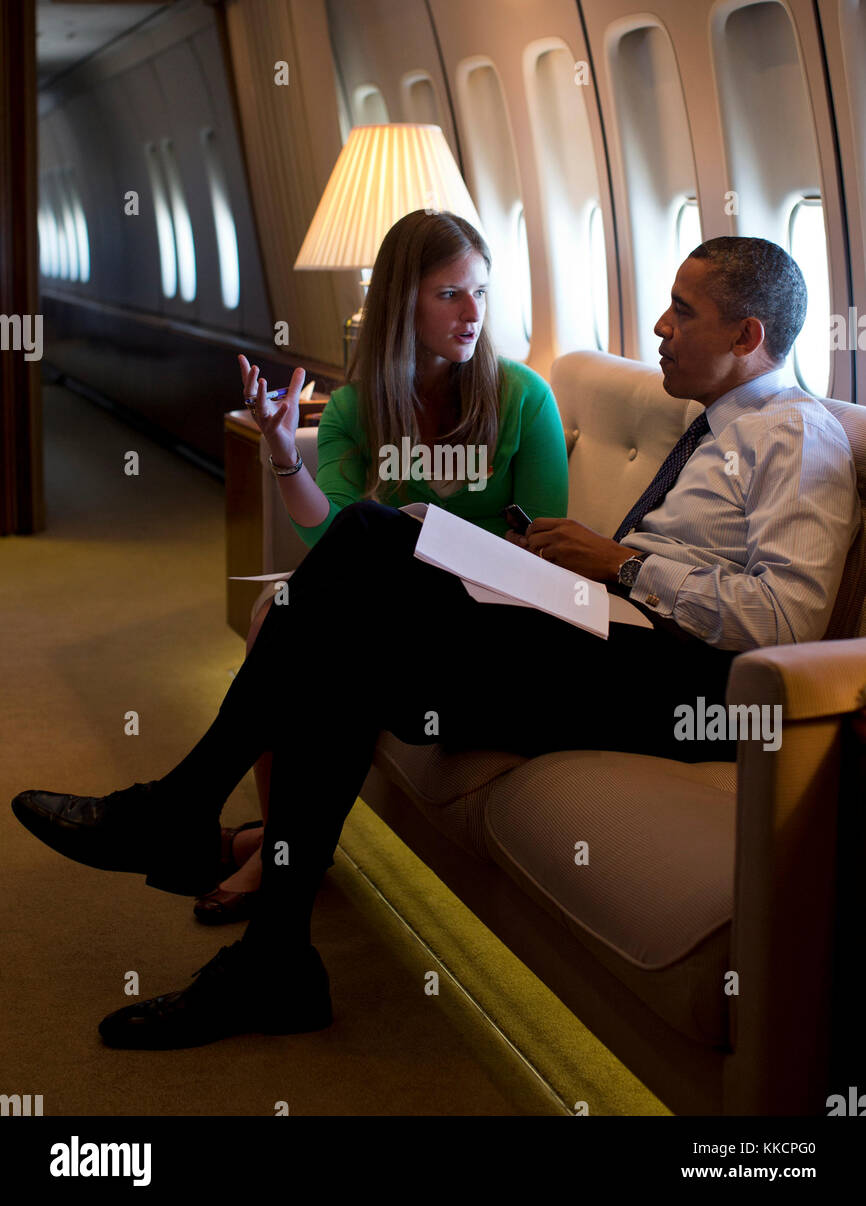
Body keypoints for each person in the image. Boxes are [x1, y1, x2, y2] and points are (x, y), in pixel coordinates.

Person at [11, 236, 859, 1051]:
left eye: (683, 311)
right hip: (620, 636)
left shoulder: (798, 435)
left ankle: (182, 819)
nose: (661, 328)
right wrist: (572, 562)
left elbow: (783, 623)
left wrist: (622, 563)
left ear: (748, 337)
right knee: (344, 644)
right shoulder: (718, 426)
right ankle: (269, 953)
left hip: (697, 693)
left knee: (368, 547)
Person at [203, 208, 569, 924]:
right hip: (394, 602)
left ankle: (268, 842)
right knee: (278, 608)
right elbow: (330, 540)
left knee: (318, 623)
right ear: (404, 299)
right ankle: (281, 845)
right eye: (450, 294)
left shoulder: (524, 396)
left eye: (482, 293)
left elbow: (543, 544)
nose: (473, 314)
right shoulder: (357, 407)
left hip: (496, 608)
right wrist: (283, 455)